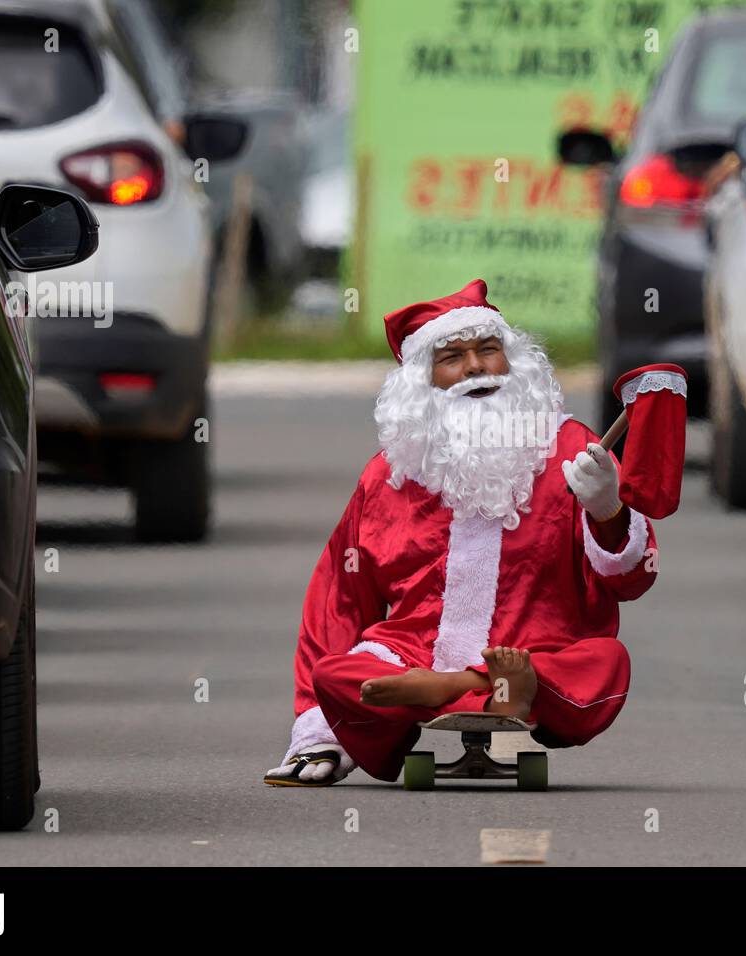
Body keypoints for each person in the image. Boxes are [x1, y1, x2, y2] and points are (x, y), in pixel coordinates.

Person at [264, 279, 660, 786]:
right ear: (422, 382)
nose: (475, 367)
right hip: (414, 656)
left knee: (605, 660)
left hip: (538, 653)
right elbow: (338, 601)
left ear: (513, 362)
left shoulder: (574, 449)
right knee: (335, 674)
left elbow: (632, 581)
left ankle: (458, 685)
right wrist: (318, 736)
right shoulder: (389, 475)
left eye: (489, 350)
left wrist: (608, 509)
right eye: (452, 357)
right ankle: (481, 685)